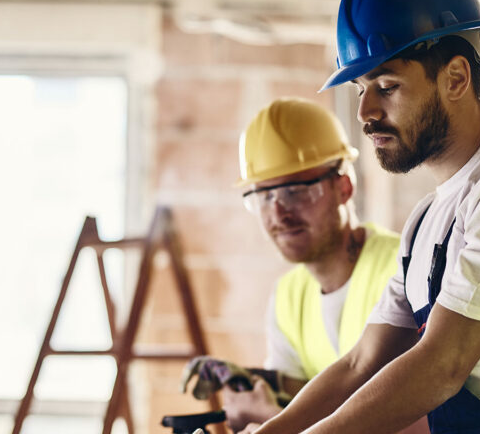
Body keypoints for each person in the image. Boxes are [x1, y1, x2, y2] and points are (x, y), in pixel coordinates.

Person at [242, 0, 480, 434]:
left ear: (456, 78)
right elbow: (361, 363)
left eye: (386, 87)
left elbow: (441, 366)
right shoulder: (427, 218)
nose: (365, 112)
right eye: (362, 89)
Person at [182, 98, 426, 434]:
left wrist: (270, 418)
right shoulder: (288, 295)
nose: (279, 213)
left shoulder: (404, 268)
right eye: (264, 196)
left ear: (344, 187)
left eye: (295, 191)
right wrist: (256, 381)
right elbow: (302, 392)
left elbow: (422, 411)